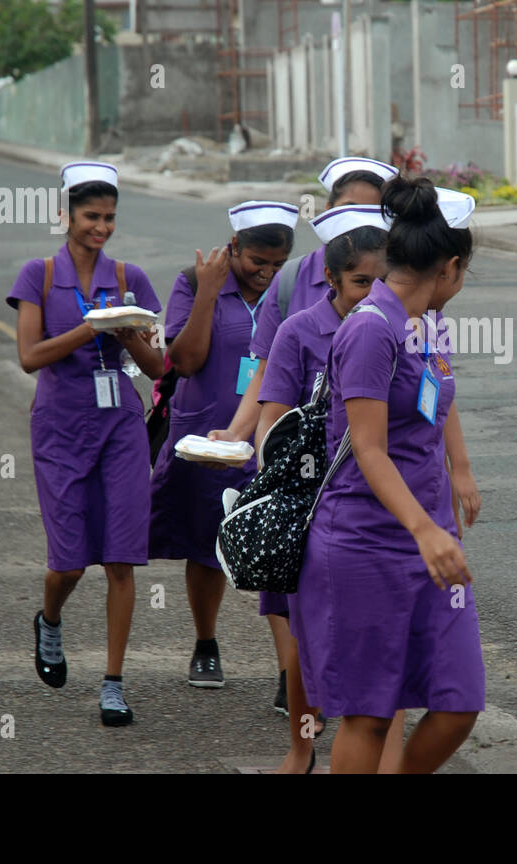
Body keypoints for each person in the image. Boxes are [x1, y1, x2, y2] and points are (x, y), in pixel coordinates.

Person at [290, 176, 484, 773]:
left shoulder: (423, 322)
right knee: (369, 713)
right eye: (464, 273)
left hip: (426, 541)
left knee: (459, 701)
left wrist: (459, 474)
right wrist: (427, 530)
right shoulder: (371, 328)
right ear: (448, 266)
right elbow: (370, 450)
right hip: (365, 541)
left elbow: (437, 404)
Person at [207, 157, 395, 717]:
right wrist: (250, 445)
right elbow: (267, 386)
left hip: (370, 487)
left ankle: (357, 706)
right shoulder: (295, 297)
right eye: (348, 207)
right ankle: (300, 710)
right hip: (308, 486)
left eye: (372, 210)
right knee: (294, 601)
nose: (370, 290)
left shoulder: (399, 310)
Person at [6, 161, 164, 727]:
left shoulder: (130, 278)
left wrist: (127, 335)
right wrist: (88, 328)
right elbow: (29, 358)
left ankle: (114, 683)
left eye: (109, 218)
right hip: (60, 423)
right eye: (91, 216)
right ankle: (50, 620)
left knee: (121, 557)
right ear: (65, 215)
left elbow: (156, 366)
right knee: (69, 561)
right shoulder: (39, 275)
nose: (101, 227)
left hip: (120, 422)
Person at [254, 205, 389, 772]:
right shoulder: (299, 330)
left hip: (371, 504)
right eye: (360, 282)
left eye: (380, 281)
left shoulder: (394, 328)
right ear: (330, 279)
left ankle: (378, 756)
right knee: (303, 651)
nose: (370, 292)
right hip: (308, 509)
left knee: (382, 643)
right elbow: (270, 421)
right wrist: (280, 478)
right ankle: (301, 749)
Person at [148, 201, 296, 688]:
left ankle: (287, 674)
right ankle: (206, 643)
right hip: (207, 436)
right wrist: (209, 293)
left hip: (269, 435)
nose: (267, 273)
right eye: (258, 262)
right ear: (234, 248)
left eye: (278, 264)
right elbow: (185, 361)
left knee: (277, 551)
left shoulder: (291, 291)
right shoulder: (193, 281)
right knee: (203, 545)